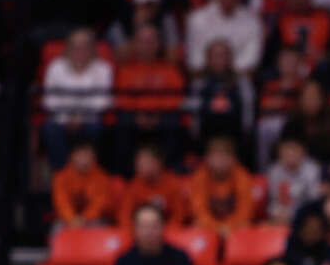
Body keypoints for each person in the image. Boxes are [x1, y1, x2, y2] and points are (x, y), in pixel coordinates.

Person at [112, 23, 184, 170]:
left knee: (174, 123)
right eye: (143, 41)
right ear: (135, 44)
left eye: (151, 41)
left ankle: (169, 172)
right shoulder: (126, 70)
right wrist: (138, 116)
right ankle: (127, 174)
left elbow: (176, 98)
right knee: (121, 124)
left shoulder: (169, 70)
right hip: (134, 117)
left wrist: (157, 114)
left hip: (162, 116)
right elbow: (121, 99)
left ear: (158, 44)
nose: (147, 45)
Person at [41, 28, 113, 170]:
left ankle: (93, 175)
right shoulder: (55, 67)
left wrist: (80, 116)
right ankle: (62, 175)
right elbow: (49, 101)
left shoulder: (103, 69)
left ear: (92, 49)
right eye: (75, 46)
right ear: (68, 48)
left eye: (85, 46)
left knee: (98, 130)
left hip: (91, 119)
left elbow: (103, 102)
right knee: (50, 130)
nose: (80, 51)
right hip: (61, 118)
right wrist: (69, 116)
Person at [184, 0, 263, 74]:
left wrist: (231, 71)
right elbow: (194, 56)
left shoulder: (253, 22)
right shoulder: (197, 18)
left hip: (238, 75)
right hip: (204, 74)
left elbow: (251, 57)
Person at [189, 39, 255, 146]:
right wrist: (195, 131)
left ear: (230, 58)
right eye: (215, 55)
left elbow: (248, 107)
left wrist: (247, 129)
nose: (219, 60)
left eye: (223, 55)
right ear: (208, 58)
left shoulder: (242, 81)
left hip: (234, 131)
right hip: (207, 131)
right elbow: (193, 110)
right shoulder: (199, 82)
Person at [189, 136, 256, 235]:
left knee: (246, 226)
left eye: (225, 155)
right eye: (216, 155)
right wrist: (217, 228)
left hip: (236, 228)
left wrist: (229, 227)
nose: (220, 160)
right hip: (209, 228)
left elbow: (245, 211)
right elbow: (199, 212)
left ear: (234, 158)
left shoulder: (242, 175)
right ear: (207, 158)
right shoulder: (200, 176)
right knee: (196, 226)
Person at [119, 144, 187, 229]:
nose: (141, 167)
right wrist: (135, 233)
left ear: (158, 162)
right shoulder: (134, 186)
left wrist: (164, 233)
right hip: (141, 235)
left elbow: (179, 215)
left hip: (168, 233)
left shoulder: (174, 184)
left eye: (146, 162)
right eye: (139, 163)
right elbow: (125, 216)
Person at [283, 80, 330, 165]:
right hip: (296, 168)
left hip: (325, 168)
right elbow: (282, 147)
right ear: (301, 99)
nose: (311, 101)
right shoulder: (293, 122)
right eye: (307, 97)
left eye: (314, 96)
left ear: (322, 99)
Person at [51, 140, 113, 226]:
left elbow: (100, 204)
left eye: (87, 155)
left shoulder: (102, 177)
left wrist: (85, 218)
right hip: (67, 220)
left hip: (93, 219)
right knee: (57, 229)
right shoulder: (61, 177)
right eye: (80, 155)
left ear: (94, 157)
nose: (83, 160)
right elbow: (61, 202)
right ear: (72, 157)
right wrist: (71, 219)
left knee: (101, 227)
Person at [266, 133, 321, 225]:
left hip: (305, 219)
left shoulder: (313, 171)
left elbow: (314, 202)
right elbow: (273, 200)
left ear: (303, 151)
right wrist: (276, 212)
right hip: (280, 218)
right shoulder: (274, 171)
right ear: (279, 151)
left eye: (294, 149)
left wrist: (293, 214)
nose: (290, 153)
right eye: (286, 148)